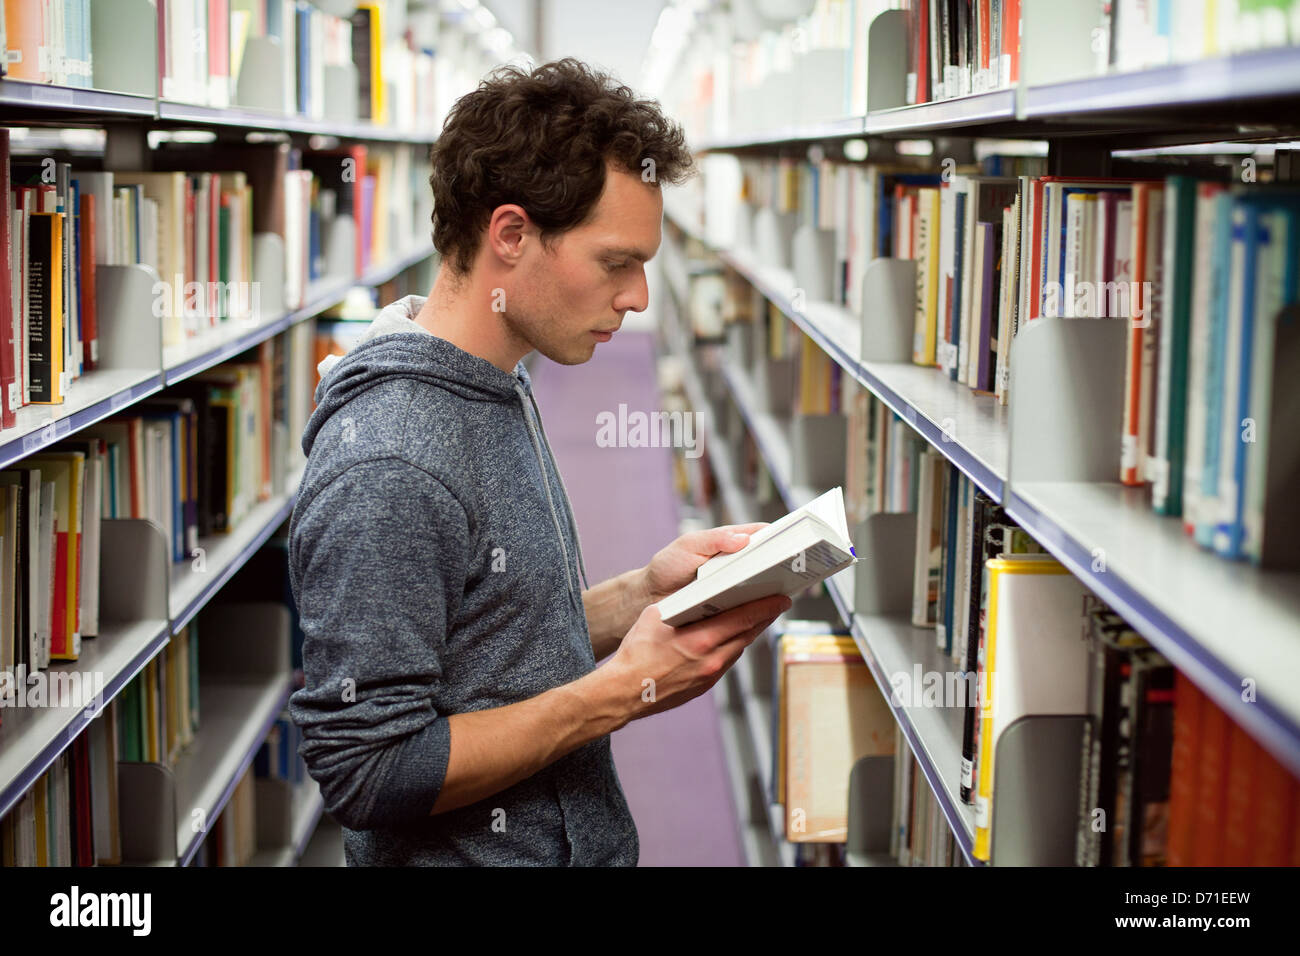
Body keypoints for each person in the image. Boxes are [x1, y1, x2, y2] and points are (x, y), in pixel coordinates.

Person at [287, 57, 790, 866]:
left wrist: (642, 594)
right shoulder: (390, 465)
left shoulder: (495, 379)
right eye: (616, 262)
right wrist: (621, 692)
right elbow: (367, 771)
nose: (639, 298)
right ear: (512, 235)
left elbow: (482, 647)